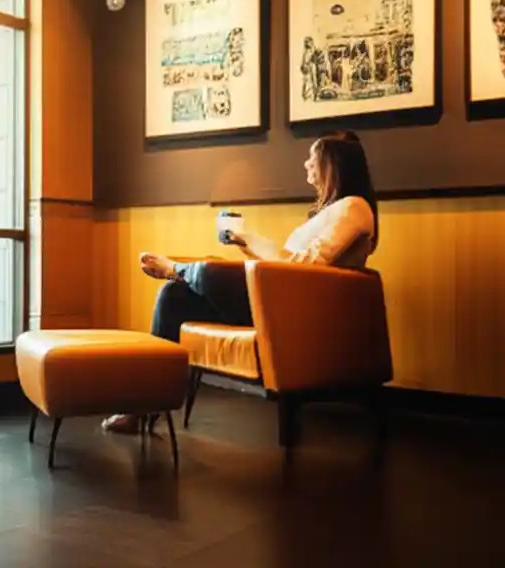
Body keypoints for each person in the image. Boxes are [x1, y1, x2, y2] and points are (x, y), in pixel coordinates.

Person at [102, 130, 380, 433]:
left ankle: (177, 269)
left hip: (297, 311)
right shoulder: (328, 212)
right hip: (276, 299)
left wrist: (251, 242)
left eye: (312, 159)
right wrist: (246, 243)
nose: (305, 165)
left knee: (208, 272)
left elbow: (307, 266)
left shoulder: (355, 206)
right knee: (173, 296)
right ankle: (144, 407)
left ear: (331, 165)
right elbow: (290, 263)